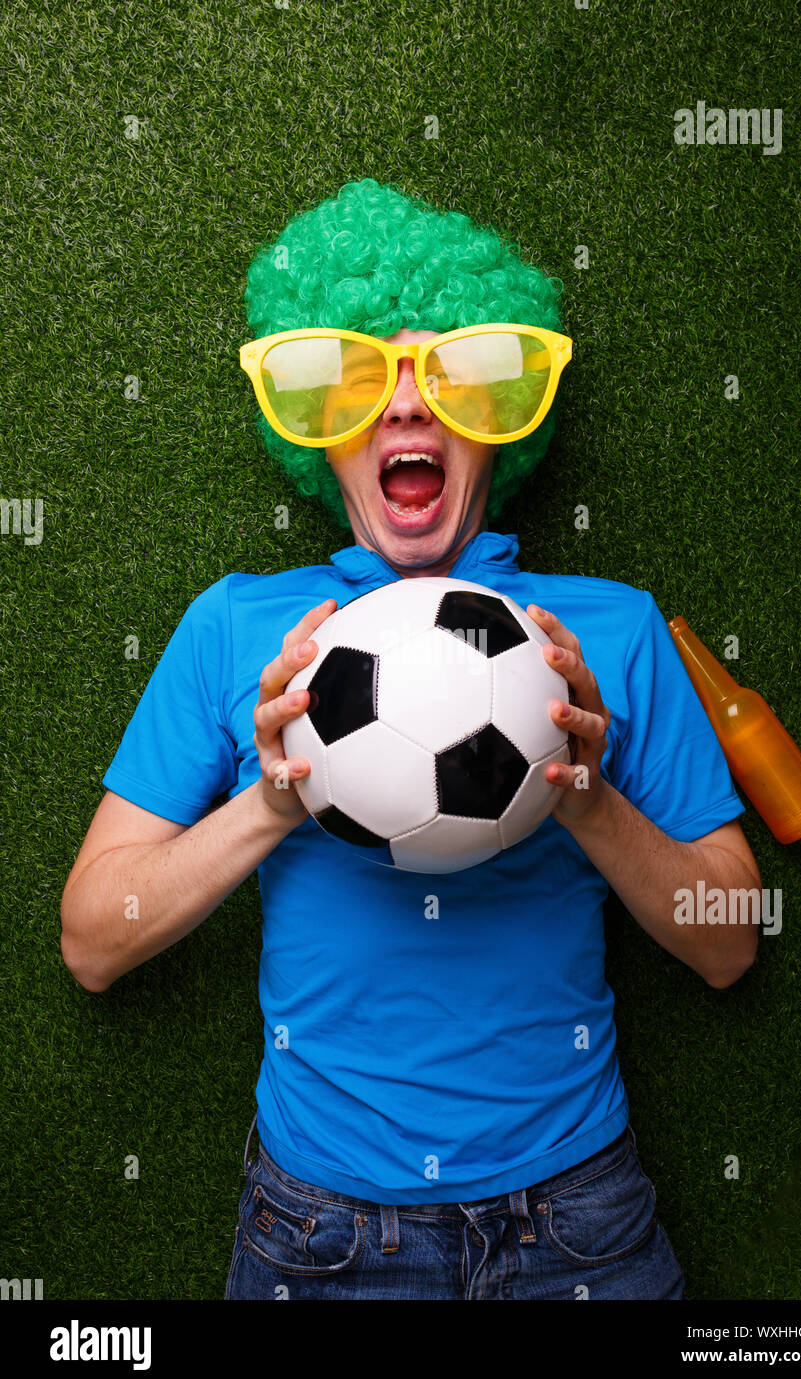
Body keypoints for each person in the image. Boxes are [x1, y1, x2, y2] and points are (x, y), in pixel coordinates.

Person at [60, 178, 760, 1301]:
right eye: (353, 384)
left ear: (497, 423)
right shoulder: (236, 628)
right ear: (317, 438)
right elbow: (93, 941)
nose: (403, 412)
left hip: (577, 1214)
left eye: (454, 381)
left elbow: (728, 940)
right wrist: (274, 798)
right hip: (318, 1229)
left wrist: (589, 797)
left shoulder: (608, 631)